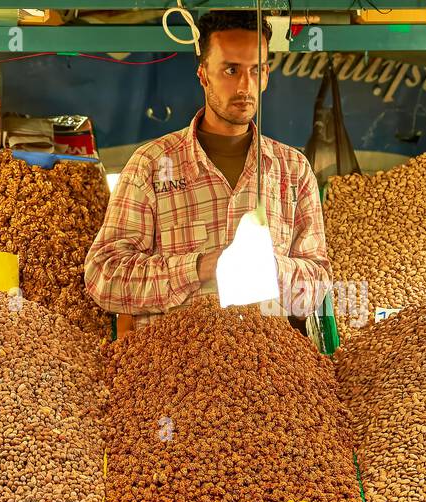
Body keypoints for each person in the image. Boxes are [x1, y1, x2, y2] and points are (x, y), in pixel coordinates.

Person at [85, 11, 331, 329]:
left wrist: (268, 268)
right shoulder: (151, 164)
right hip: (173, 370)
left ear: (268, 75)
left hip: (267, 370)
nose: (246, 85)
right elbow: (104, 277)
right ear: (203, 75)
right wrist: (201, 267)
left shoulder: (293, 171)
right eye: (231, 70)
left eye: (257, 70)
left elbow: (316, 288)